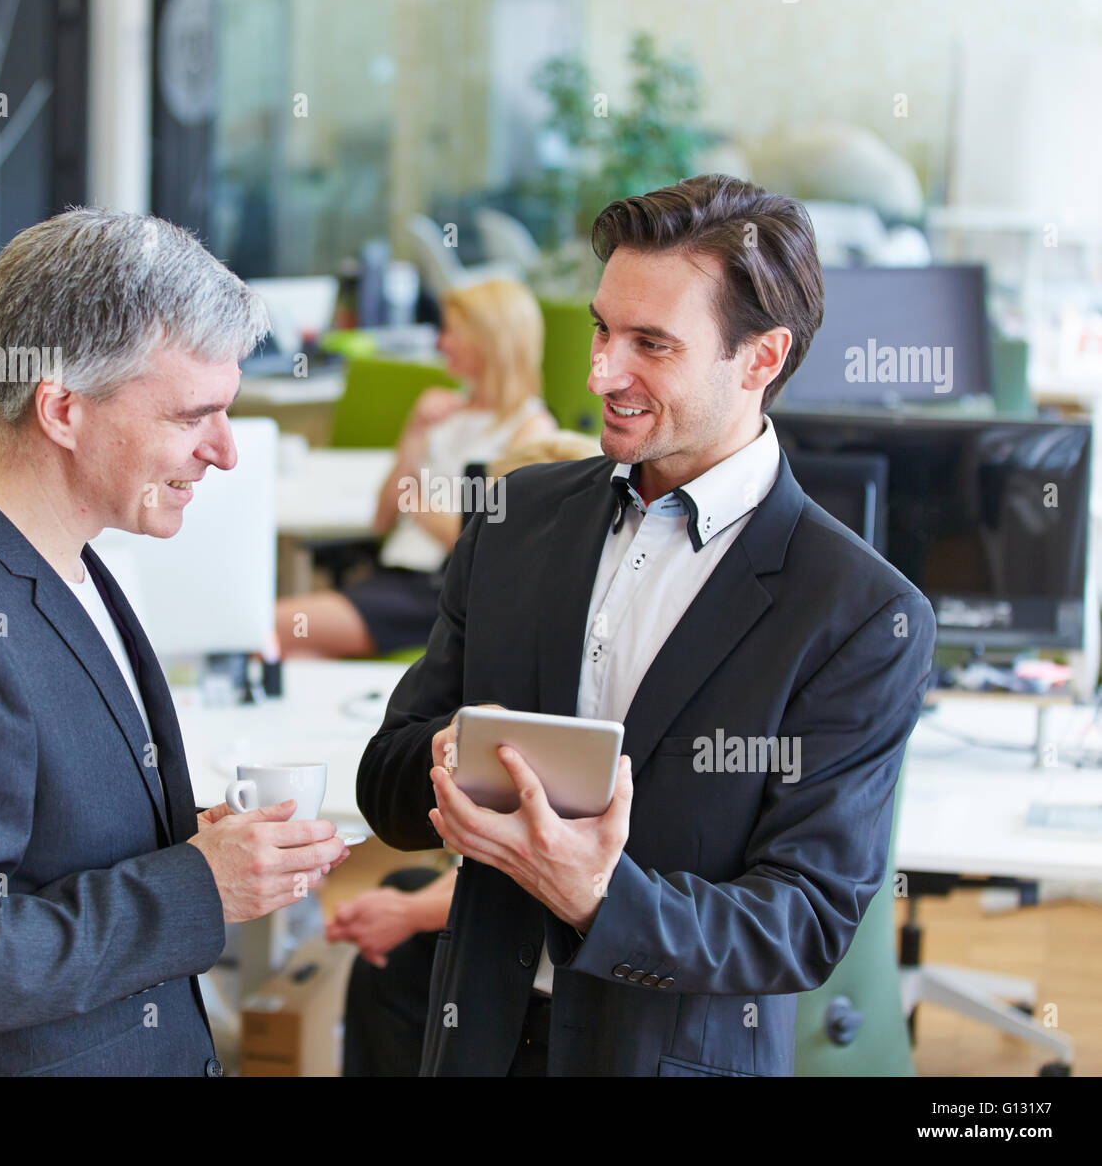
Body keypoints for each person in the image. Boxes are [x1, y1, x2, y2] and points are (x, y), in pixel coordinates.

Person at [356, 174, 938, 1077]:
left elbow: (804, 922)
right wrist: (460, 758)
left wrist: (599, 896)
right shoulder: (514, 517)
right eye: (600, 328)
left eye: (650, 344)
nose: (600, 374)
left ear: (761, 357)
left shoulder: (860, 613)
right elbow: (388, 785)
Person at [0, 209, 348, 1077]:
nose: (225, 452)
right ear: (64, 408)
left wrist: (183, 837)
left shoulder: (67, 562)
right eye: (197, 414)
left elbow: (38, 834)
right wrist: (198, 887)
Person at [328, 430, 601, 1077]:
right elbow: (391, 780)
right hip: (502, 905)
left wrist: (410, 911)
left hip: (556, 943)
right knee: (398, 910)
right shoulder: (498, 629)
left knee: (396, 947)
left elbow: (545, 865)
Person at [276, 277, 556, 658]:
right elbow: (381, 519)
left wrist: (416, 502)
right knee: (293, 651)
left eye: (451, 332)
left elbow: (481, 547)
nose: (441, 344)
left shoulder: (529, 432)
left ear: (489, 340)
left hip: (439, 593)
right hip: (396, 578)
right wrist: (414, 431)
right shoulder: (443, 412)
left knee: (275, 628)